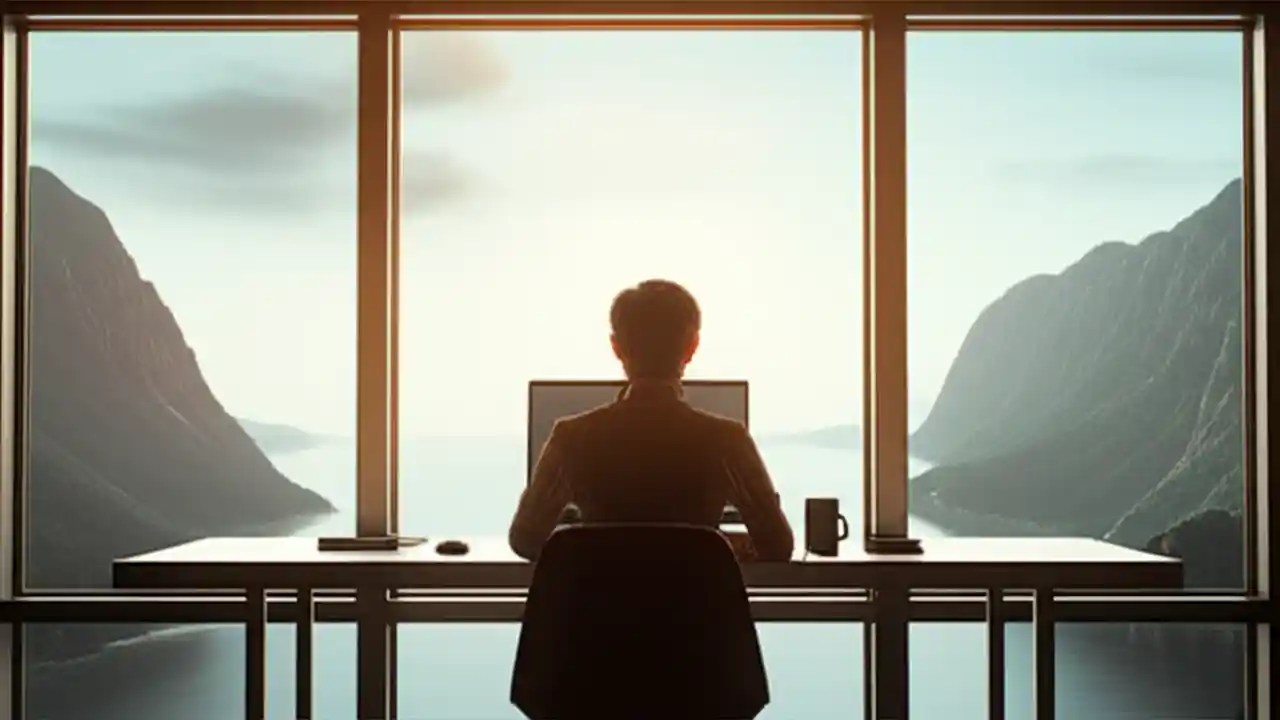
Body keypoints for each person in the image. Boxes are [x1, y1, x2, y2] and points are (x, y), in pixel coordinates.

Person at [508, 279, 795, 562]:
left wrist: (587, 548)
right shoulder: (728, 440)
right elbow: (777, 546)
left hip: (601, 607)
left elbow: (524, 540)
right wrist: (717, 547)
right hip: (697, 607)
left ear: (616, 347)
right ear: (692, 346)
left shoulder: (570, 437)